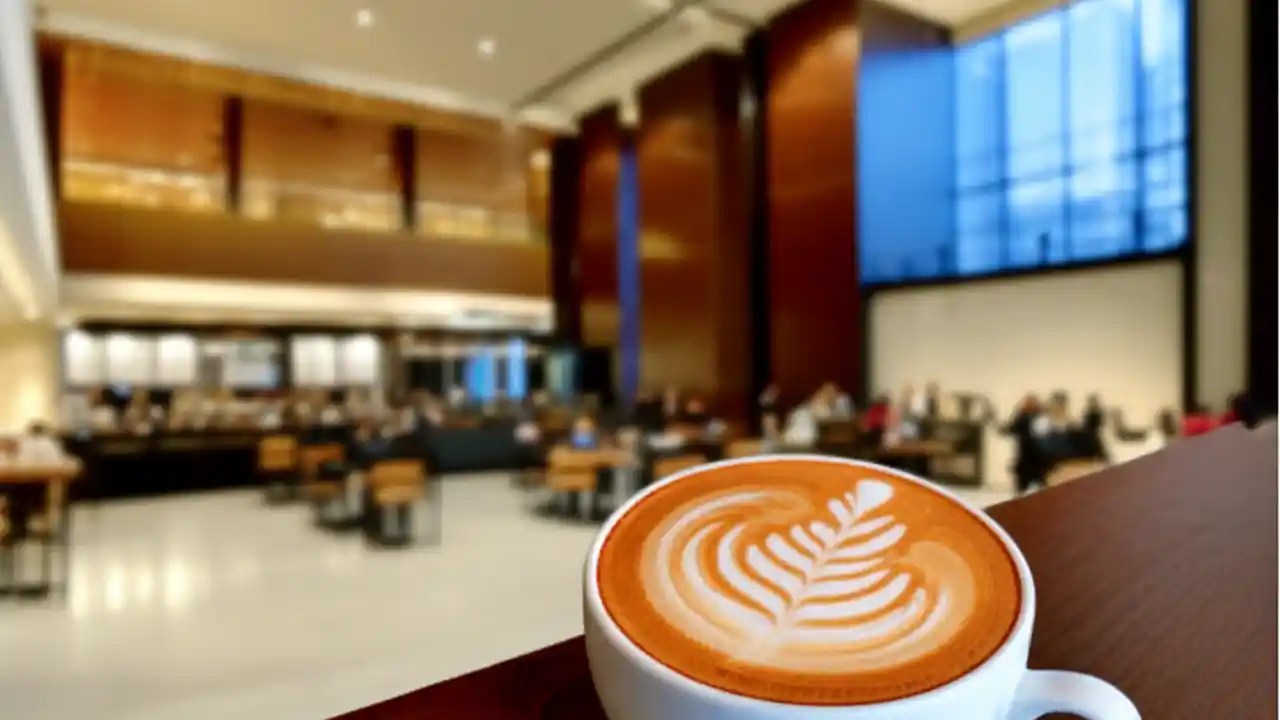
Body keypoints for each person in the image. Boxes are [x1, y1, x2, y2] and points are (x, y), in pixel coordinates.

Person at [1003, 394, 1047, 494]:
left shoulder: (1023, 416)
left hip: (1029, 457)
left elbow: (1010, 429)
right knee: (1039, 485)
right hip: (1036, 457)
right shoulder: (1039, 416)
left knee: (1022, 487)